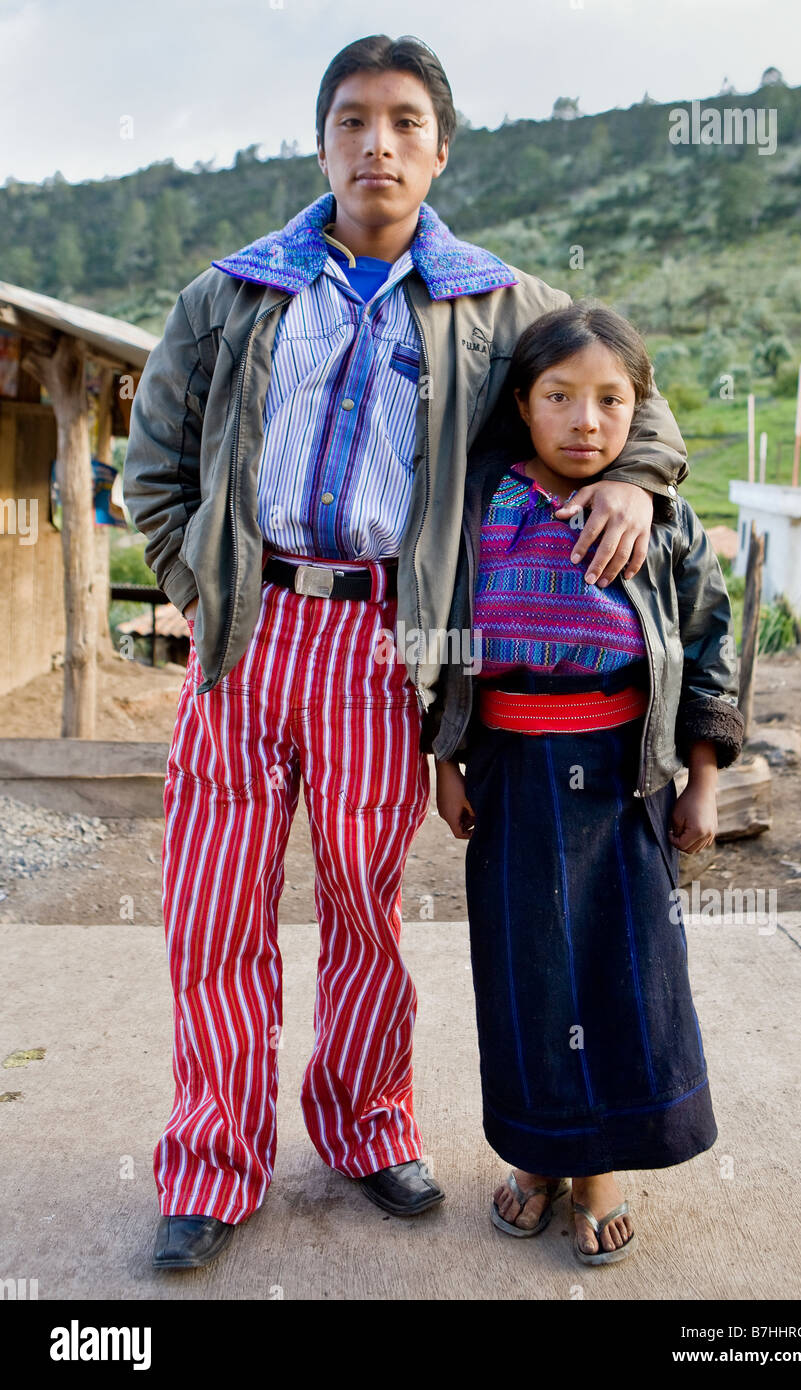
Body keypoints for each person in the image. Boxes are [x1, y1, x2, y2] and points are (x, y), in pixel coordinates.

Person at [123, 34, 691, 1271]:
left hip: (393, 637)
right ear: (320, 142)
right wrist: (200, 583)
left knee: (363, 904)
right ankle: (212, 1159)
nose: (374, 143)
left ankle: (367, 1126)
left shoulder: (495, 300)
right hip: (245, 631)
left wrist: (640, 481)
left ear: (439, 148)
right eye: (349, 121)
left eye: (400, 121)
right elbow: (152, 461)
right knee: (212, 911)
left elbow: (628, 398)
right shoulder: (235, 290)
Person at [435, 300, 744, 1265]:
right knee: (525, 973)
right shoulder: (478, 506)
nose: (585, 421)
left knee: (626, 975)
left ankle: (601, 1165)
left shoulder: (661, 516)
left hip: (625, 781)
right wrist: (445, 760)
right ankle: (537, 1156)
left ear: (638, 409)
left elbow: (705, 647)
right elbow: (441, 640)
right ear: (521, 406)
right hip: (513, 776)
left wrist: (700, 780)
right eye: (559, 397)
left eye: (611, 400)